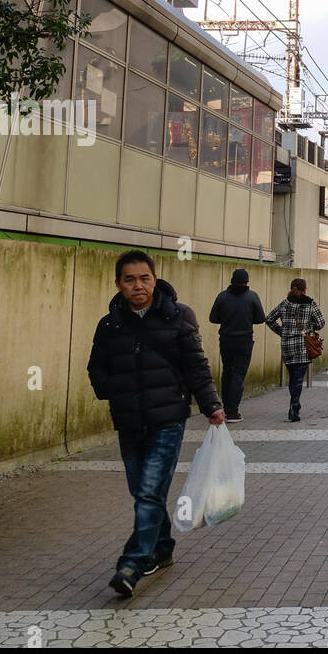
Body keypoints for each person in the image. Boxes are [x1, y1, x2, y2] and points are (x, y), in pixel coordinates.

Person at [87, 250, 224, 598]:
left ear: (154, 279)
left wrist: (211, 405)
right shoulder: (110, 325)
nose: (138, 285)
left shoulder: (178, 316)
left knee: (149, 491)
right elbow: (96, 370)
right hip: (128, 420)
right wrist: (116, 390)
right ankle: (162, 547)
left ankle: (131, 564)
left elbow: (196, 364)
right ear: (118, 284)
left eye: (144, 278)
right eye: (129, 279)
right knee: (142, 490)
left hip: (168, 419)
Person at [208, 268, 266, 423]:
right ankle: (232, 412)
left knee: (227, 372)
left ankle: (225, 406)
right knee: (238, 375)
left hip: (226, 340)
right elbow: (260, 318)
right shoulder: (252, 296)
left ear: (232, 280)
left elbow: (213, 318)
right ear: (247, 282)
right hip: (244, 341)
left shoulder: (222, 296)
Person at [267, 278, 325, 422]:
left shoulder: (284, 304)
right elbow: (320, 323)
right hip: (302, 346)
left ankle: (295, 404)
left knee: (293, 377)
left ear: (291, 288)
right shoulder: (310, 303)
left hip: (287, 345)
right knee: (297, 378)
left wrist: (282, 332)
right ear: (304, 290)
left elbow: (269, 319)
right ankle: (294, 407)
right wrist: (309, 328)